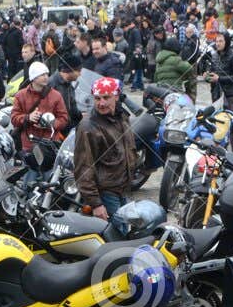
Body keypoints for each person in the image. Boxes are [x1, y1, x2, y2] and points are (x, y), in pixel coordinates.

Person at [73, 76, 140, 230]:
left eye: (106, 98)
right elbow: (84, 168)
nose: (101, 103)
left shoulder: (122, 116)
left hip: (124, 189)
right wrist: (96, 204)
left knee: (128, 232)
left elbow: (129, 147)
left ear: (116, 97)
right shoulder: (88, 126)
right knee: (116, 238)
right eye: (97, 98)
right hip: (106, 194)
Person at [10, 61, 69, 156]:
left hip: (50, 145)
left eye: (47, 74)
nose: (46, 77)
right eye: (42, 74)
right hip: (28, 145)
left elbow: (64, 119)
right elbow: (14, 118)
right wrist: (28, 118)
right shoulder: (20, 95)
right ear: (33, 78)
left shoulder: (56, 95)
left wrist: (50, 123)